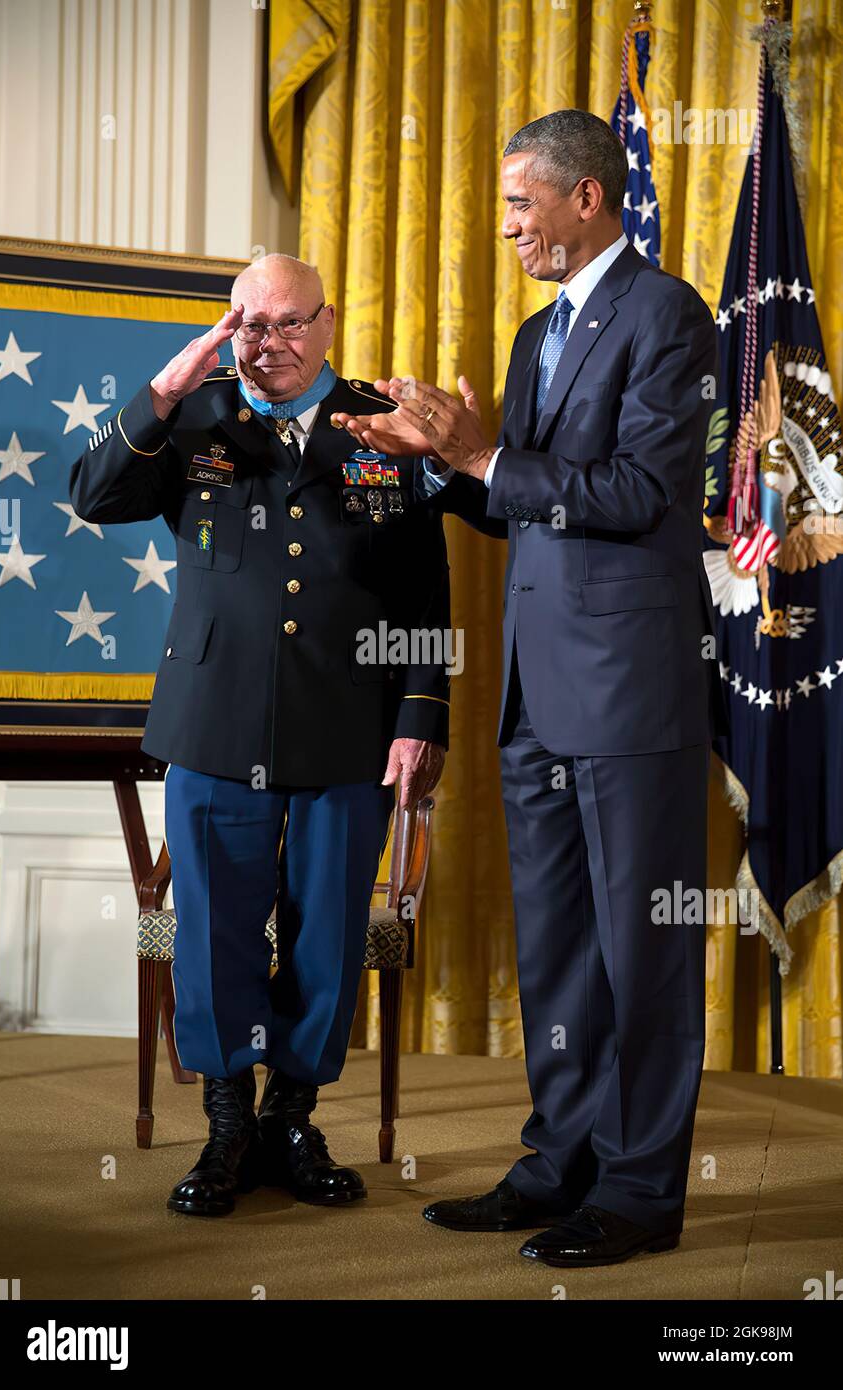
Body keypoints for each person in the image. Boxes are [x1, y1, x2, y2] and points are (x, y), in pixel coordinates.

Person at [332, 109, 725, 1268]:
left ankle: (642, 1192)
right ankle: (561, 1160)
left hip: (629, 691)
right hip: (532, 692)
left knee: (639, 951)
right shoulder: (530, 333)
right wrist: (433, 462)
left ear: (585, 199)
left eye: (519, 203)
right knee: (557, 946)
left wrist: (476, 456)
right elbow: (530, 505)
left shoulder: (667, 315)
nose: (506, 224)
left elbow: (638, 492)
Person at [70, 254, 450, 1217]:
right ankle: (230, 1125)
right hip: (212, 719)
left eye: (285, 323)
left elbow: (421, 588)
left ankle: (294, 1115)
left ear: (327, 323)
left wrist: (419, 718)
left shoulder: (377, 424)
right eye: (247, 323)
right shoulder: (190, 416)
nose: (264, 342)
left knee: (325, 932)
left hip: (347, 725)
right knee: (216, 932)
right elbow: (93, 494)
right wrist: (165, 386)